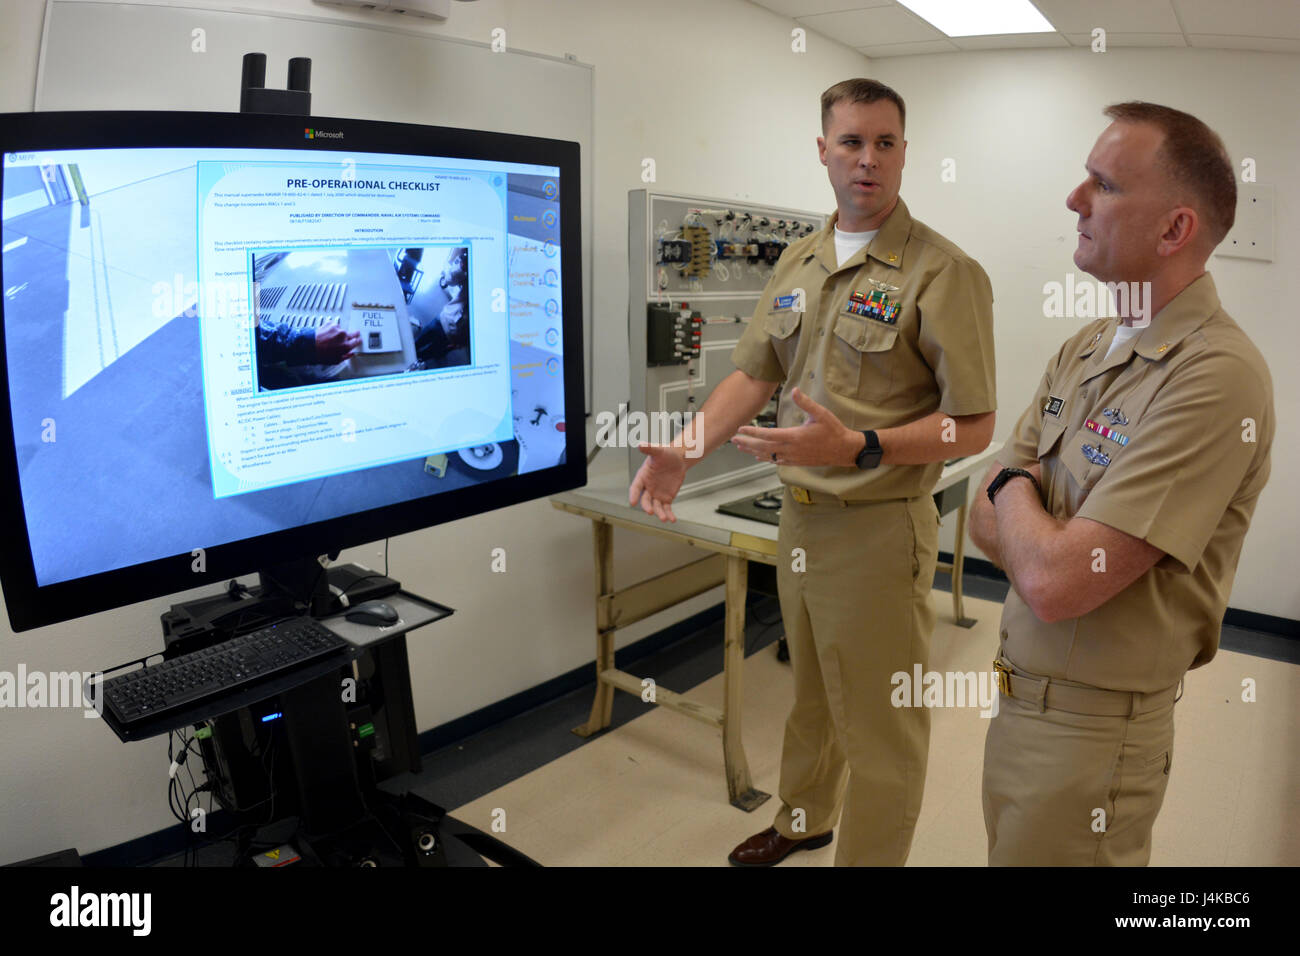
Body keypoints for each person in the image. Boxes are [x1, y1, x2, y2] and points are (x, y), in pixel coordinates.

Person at [629, 78, 998, 866]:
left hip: (876, 528)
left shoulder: (943, 272)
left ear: (904, 154)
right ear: (823, 150)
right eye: (853, 142)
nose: (868, 160)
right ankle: (802, 822)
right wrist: (684, 449)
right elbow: (753, 376)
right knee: (813, 697)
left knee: (882, 727)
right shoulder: (801, 258)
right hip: (800, 520)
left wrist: (861, 447)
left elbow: (974, 425)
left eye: (886, 143)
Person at [969, 102, 1274, 865]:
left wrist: (1015, 485)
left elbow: (1056, 580)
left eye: (1102, 185)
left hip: (1091, 735)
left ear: (1174, 230)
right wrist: (1022, 501)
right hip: (1018, 703)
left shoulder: (1216, 376)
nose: (1075, 200)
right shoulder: (1090, 344)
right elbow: (977, 520)